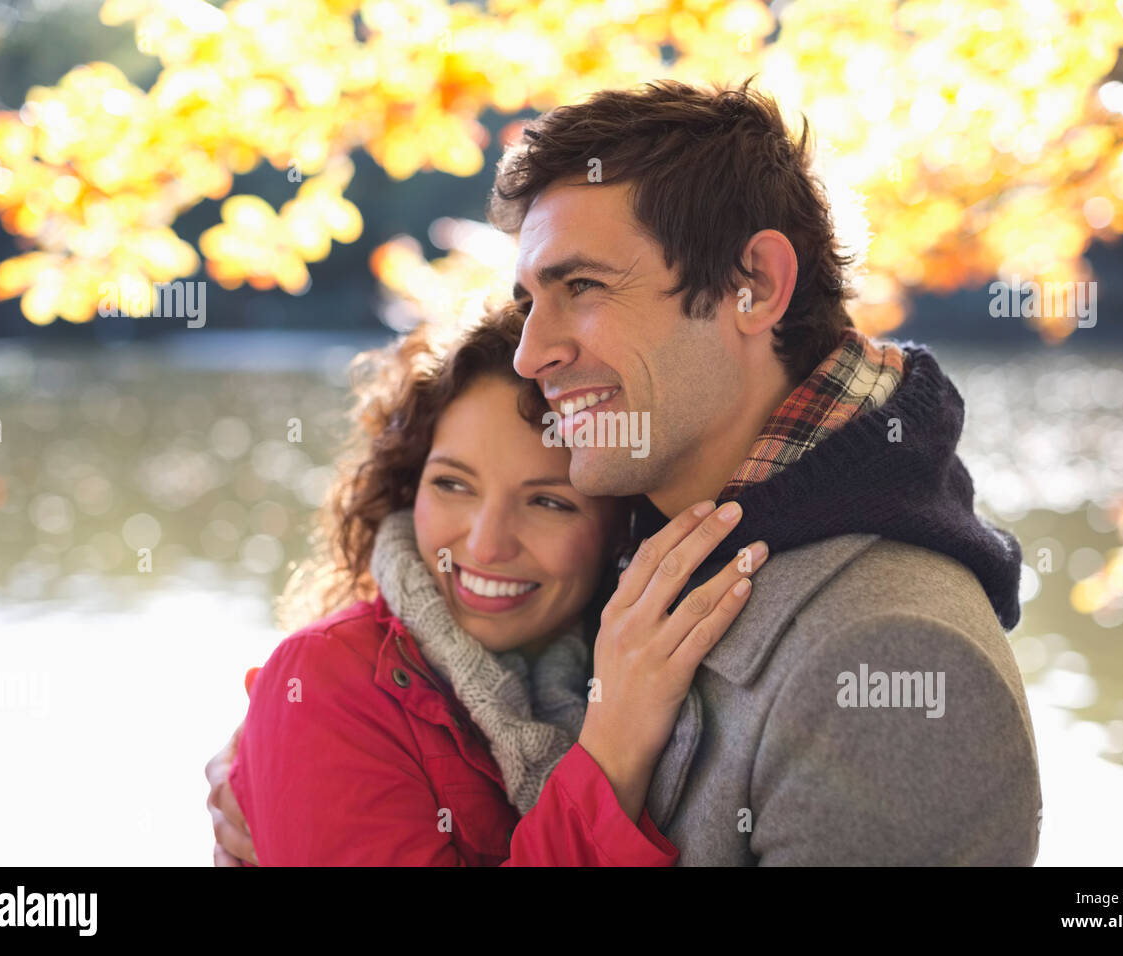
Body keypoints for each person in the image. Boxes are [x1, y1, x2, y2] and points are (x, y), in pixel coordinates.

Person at [211, 77, 1042, 865]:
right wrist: (291, 768)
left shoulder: (893, 656)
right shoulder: (645, 553)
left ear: (754, 285)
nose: (534, 352)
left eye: (583, 285)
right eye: (534, 298)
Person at [216, 303, 767, 865]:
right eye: (453, 484)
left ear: (619, 532)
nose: (484, 545)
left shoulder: (611, 668)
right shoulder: (324, 677)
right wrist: (613, 756)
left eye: (547, 502)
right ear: (410, 485)